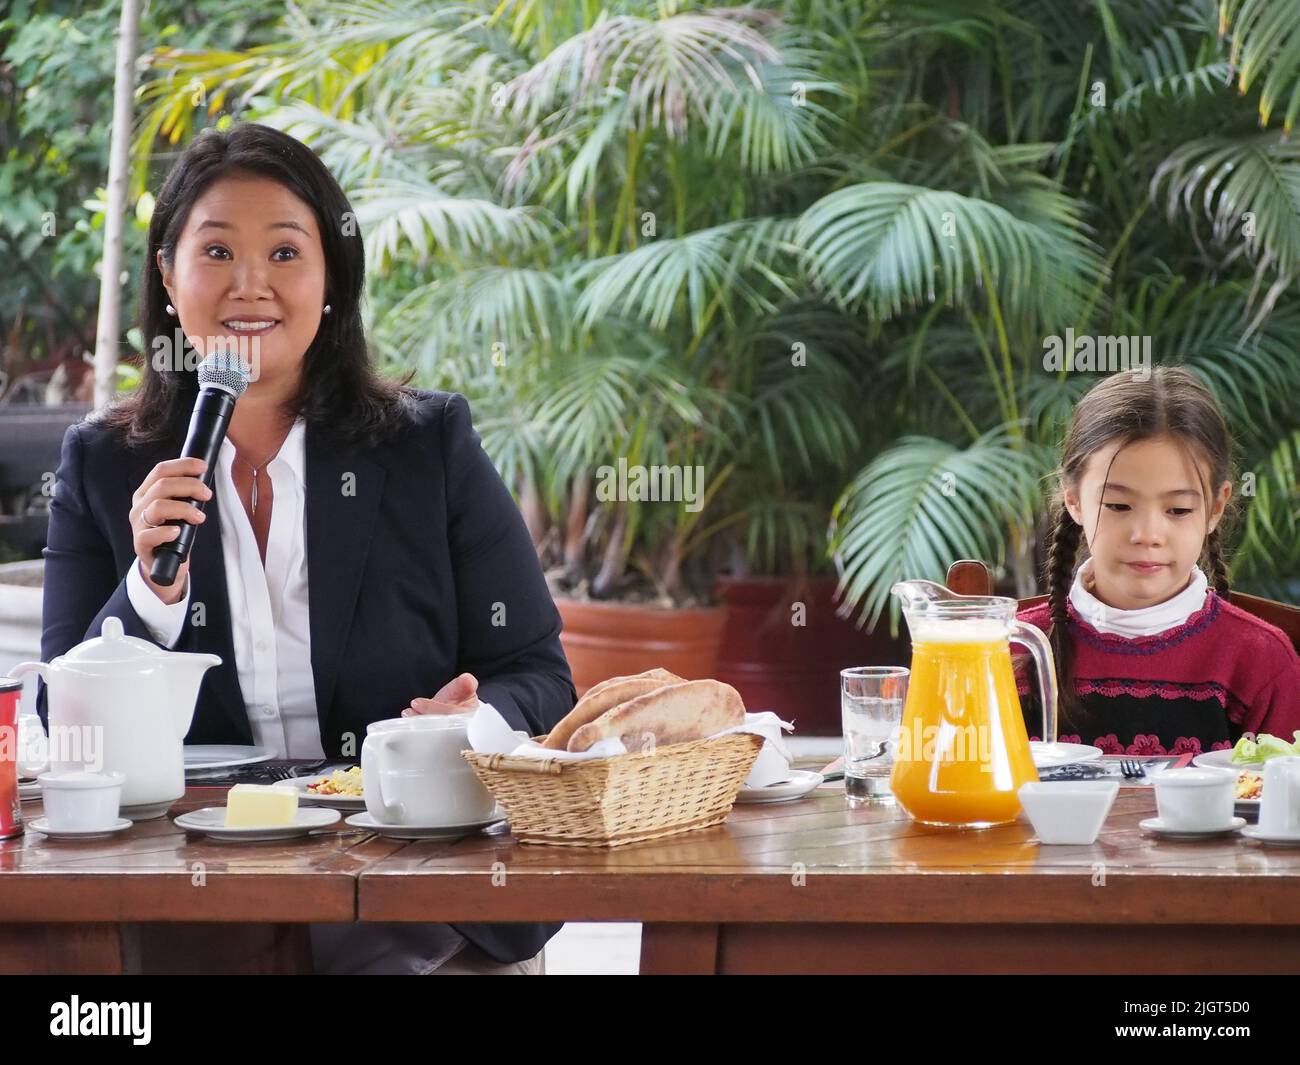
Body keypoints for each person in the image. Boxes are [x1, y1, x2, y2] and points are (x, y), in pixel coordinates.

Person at [38, 122, 576, 974]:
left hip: (412, 888)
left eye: (286, 253)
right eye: (216, 251)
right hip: (194, 899)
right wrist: (149, 590)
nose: (251, 284)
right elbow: (58, 727)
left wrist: (468, 724)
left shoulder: (425, 445)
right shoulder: (105, 466)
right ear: (168, 279)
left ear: (331, 281)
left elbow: (541, 674)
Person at [1015, 367, 1300, 754]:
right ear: (1074, 499)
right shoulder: (1005, 651)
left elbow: (1284, 807)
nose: (1147, 534)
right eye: (1118, 505)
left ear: (1216, 507)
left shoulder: (1260, 662)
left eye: (1178, 509)